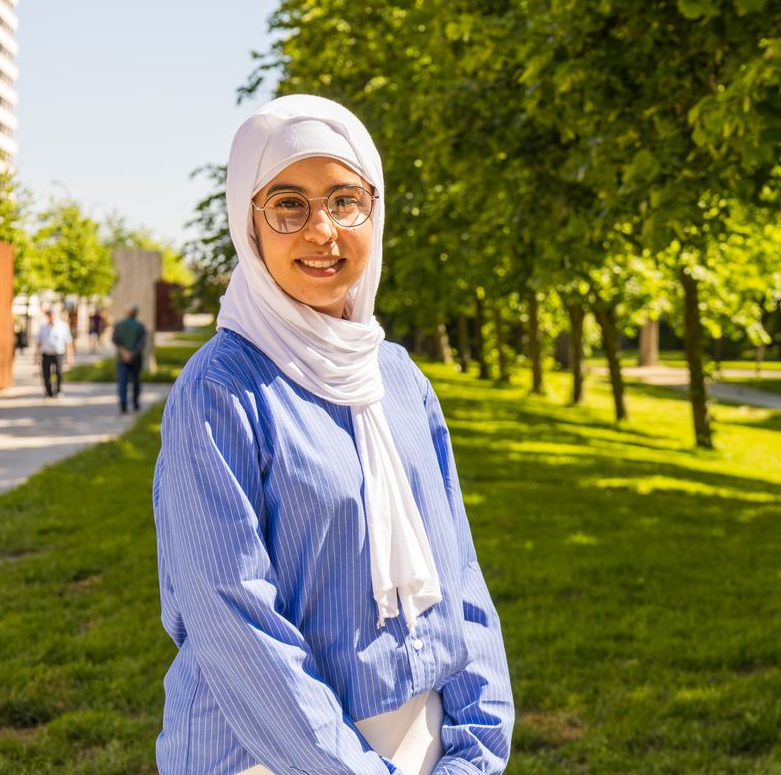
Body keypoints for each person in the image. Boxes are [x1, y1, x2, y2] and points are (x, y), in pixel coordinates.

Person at [151, 95, 513, 775]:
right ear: (249, 223)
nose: (322, 230)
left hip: (426, 745)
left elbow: (459, 572)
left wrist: (478, 743)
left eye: (344, 200)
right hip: (268, 754)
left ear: (373, 212)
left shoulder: (398, 377)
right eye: (288, 204)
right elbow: (233, 621)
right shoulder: (221, 391)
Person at [112, 305, 146, 413]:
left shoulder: (119, 325)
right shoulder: (140, 326)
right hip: (135, 358)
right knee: (135, 381)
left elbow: (115, 340)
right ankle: (135, 402)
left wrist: (124, 352)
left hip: (122, 359)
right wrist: (132, 354)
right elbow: (141, 343)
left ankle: (123, 403)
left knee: (122, 381)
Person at [35, 307, 73, 398]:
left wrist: (70, 356)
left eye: (52, 314)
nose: (50, 316)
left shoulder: (62, 326)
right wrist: (36, 355)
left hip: (58, 353)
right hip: (46, 353)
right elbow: (39, 342)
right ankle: (49, 392)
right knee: (46, 374)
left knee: (59, 373)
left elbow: (68, 342)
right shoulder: (43, 326)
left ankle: (58, 391)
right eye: (49, 315)